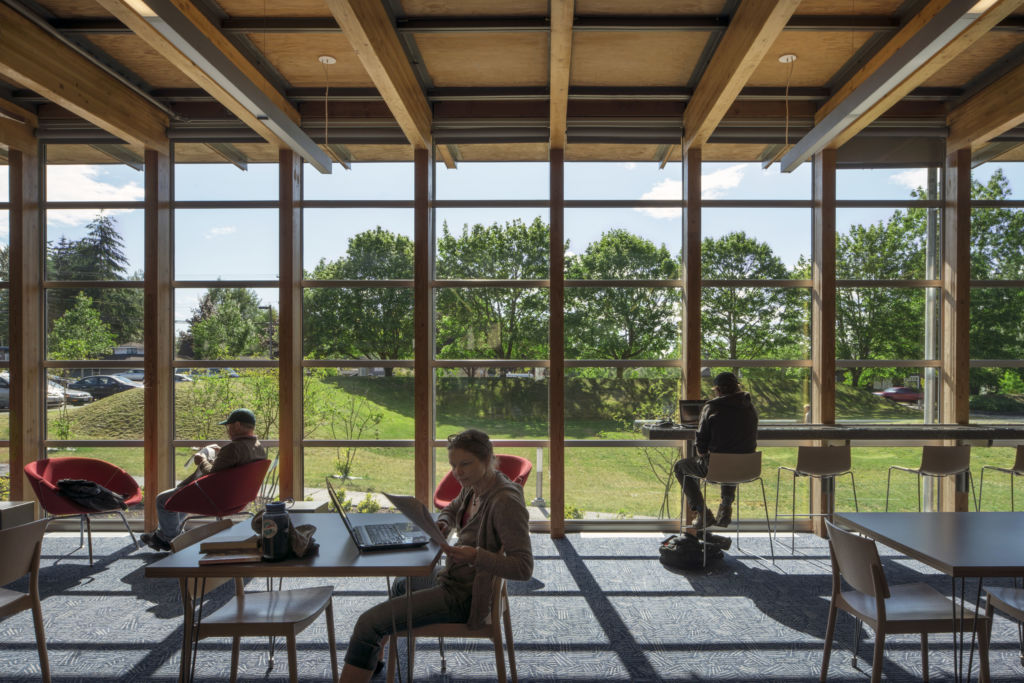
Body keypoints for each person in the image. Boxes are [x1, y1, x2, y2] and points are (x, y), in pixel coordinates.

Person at [338, 428, 533, 683]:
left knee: (367, 624)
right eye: (453, 465)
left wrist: (475, 555)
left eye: (465, 464)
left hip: (466, 597)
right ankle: (374, 660)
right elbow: (451, 509)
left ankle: (368, 649)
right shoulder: (474, 486)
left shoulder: (505, 501)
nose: (458, 472)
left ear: (487, 459)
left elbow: (523, 567)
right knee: (401, 585)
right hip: (452, 577)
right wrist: (443, 523)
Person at [140, 408, 268, 552]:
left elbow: (211, 473)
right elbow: (231, 465)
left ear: (237, 425)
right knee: (179, 498)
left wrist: (202, 459)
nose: (228, 430)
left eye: (229, 426)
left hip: (216, 500)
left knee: (162, 500)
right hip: (238, 500)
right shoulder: (259, 448)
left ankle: (170, 540)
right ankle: (164, 535)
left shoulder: (233, 449)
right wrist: (221, 454)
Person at [673, 372, 758, 530]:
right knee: (731, 459)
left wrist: (703, 451)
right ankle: (726, 508)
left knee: (680, 467)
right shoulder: (749, 406)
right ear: (737, 387)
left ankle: (703, 514)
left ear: (718, 390)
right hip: (747, 468)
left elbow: (701, 445)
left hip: (718, 468)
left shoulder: (712, 407)